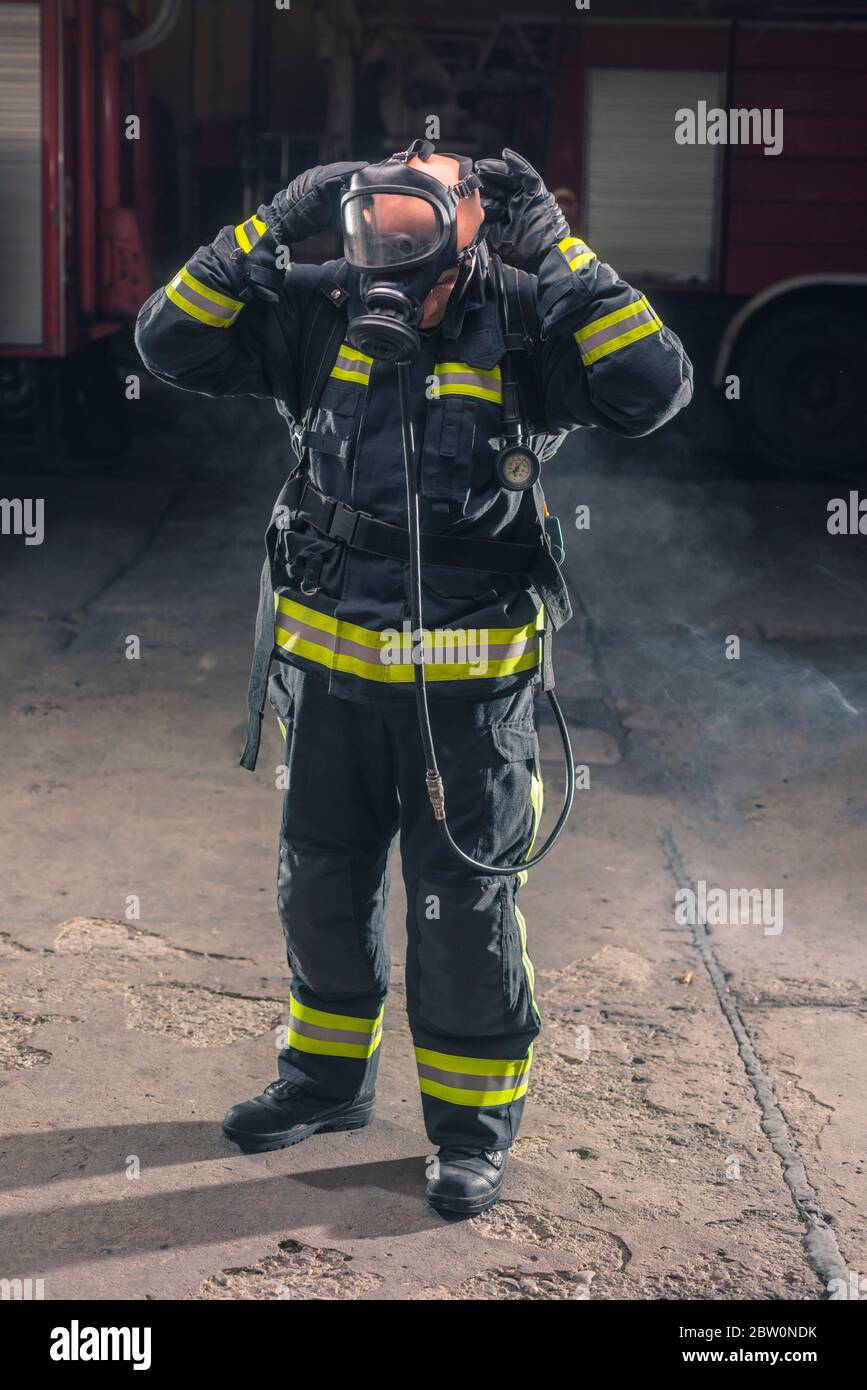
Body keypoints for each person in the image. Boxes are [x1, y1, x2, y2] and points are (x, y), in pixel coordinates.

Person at [135, 141, 692, 1216]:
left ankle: (470, 1134)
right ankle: (323, 1084)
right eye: (377, 214)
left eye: (425, 213)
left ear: (476, 220)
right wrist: (270, 221)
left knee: (462, 913)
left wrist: (561, 252)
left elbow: (656, 389)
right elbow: (166, 341)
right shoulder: (321, 307)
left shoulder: (532, 318)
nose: (397, 244)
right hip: (336, 689)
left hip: (472, 705)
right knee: (323, 891)